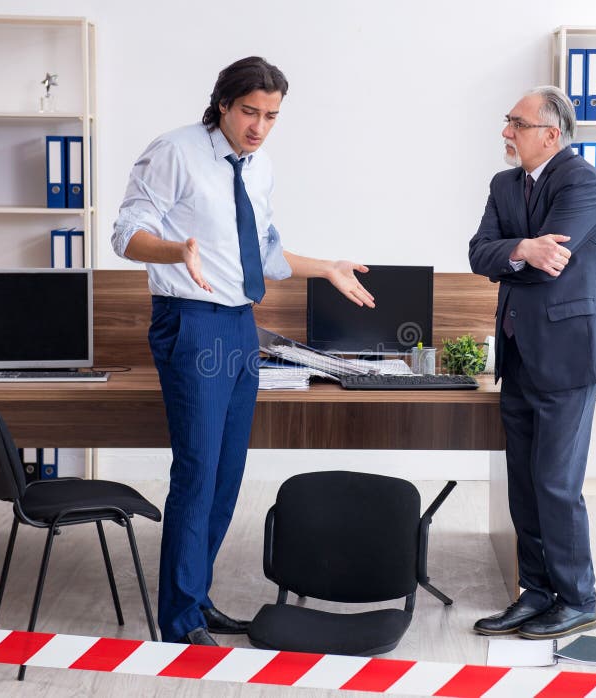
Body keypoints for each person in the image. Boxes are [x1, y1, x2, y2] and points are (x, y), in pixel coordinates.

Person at [111, 56, 374, 646]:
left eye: (272, 117)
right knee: (198, 469)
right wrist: (177, 251)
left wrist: (326, 267)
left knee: (228, 472)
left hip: (238, 324)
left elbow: (267, 255)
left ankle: (197, 599)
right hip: (190, 319)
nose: (259, 126)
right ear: (223, 104)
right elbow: (125, 234)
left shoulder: (259, 167)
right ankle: (179, 621)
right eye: (250, 112)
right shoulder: (175, 151)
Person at [468, 85, 596, 640]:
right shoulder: (504, 184)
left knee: (555, 483)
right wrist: (521, 249)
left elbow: (550, 262)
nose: (506, 132)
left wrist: (517, 252)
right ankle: (536, 592)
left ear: (550, 134)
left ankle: (578, 598)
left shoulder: (582, 182)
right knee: (524, 484)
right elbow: (478, 252)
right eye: (507, 122)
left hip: (568, 357)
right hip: (518, 353)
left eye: (516, 123)